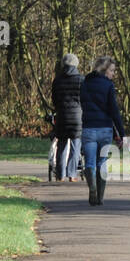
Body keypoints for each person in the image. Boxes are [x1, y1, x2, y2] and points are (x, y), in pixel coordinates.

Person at [79, 55, 126, 206]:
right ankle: (100, 197)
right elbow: (114, 111)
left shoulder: (85, 83)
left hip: (88, 129)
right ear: (105, 70)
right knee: (102, 163)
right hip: (105, 129)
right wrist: (121, 133)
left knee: (90, 163)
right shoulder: (108, 86)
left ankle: (92, 188)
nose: (113, 74)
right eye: (112, 70)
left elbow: (82, 104)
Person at [51, 52, 83, 182]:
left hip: (62, 116)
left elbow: (54, 99)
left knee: (62, 146)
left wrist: (59, 109)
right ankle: (72, 174)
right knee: (76, 146)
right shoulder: (82, 80)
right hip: (77, 118)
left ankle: (60, 175)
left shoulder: (57, 80)